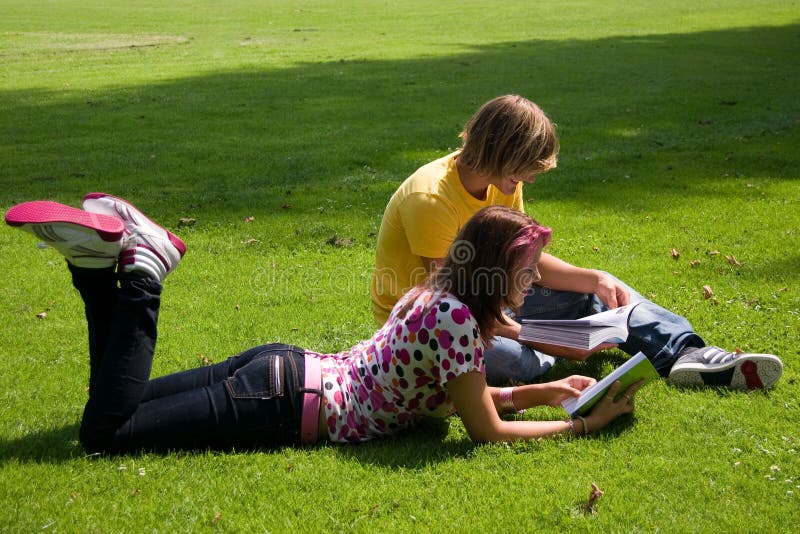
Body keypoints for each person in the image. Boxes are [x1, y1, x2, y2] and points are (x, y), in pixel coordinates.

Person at [5, 196, 643, 453]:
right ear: (495, 271)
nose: (532, 283)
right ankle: (142, 272)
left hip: (279, 371)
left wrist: (543, 391)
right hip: (280, 402)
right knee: (104, 434)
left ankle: (94, 268)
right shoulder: (454, 323)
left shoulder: (437, 297)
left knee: (115, 405)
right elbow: (486, 430)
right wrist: (583, 423)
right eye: (526, 271)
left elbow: (461, 402)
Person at [370, 94, 783, 388]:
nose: (529, 179)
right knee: (518, 361)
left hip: (492, 296)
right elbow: (451, 306)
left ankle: (689, 354)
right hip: (429, 323)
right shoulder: (431, 199)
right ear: (498, 151)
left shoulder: (502, 181)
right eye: (524, 169)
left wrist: (594, 277)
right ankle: (552, 351)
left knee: (603, 296)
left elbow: (522, 264)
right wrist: (542, 338)